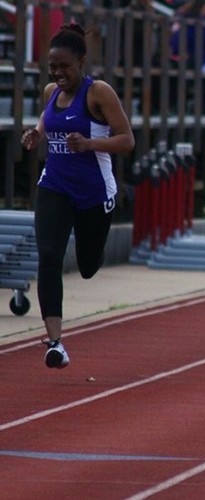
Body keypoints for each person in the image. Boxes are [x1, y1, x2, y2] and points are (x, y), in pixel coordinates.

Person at [21, 23, 135, 369]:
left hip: (94, 192)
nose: (58, 74)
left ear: (81, 62)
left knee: (87, 266)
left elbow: (126, 140)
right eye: (52, 67)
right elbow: (47, 116)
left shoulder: (98, 93)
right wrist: (37, 133)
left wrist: (90, 144)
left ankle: (93, 253)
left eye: (64, 67)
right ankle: (55, 342)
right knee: (50, 254)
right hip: (54, 184)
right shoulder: (50, 92)